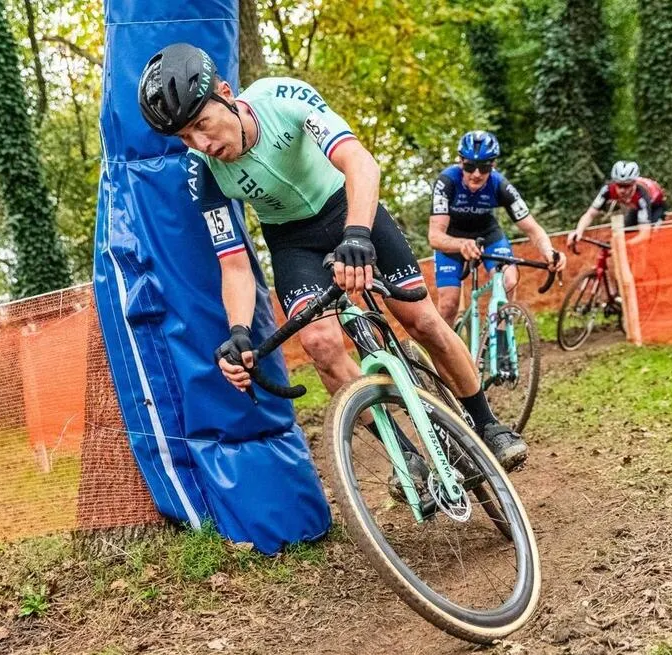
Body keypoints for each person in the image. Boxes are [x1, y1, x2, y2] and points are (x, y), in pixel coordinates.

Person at [137, 43, 529, 473]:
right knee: (320, 344)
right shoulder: (201, 171)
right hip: (292, 241)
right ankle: (406, 458)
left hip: (351, 208)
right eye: (186, 137)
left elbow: (361, 164)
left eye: (201, 124)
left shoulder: (282, 99)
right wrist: (238, 330)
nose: (201, 143)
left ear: (226, 94)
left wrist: (357, 233)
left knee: (423, 320)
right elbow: (233, 262)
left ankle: (488, 424)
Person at [427, 131, 564, 328]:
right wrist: (461, 244)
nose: (476, 173)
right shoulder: (447, 181)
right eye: (469, 166)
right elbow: (435, 236)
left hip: (488, 234)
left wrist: (549, 252)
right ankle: (443, 356)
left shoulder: (499, 184)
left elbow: (533, 229)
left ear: (493, 165)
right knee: (449, 304)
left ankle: (500, 347)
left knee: (509, 280)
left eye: (484, 167)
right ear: (460, 162)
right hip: (452, 238)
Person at [567, 161, 667, 249]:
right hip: (635, 207)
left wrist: (624, 245)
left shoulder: (641, 197)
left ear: (634, 183)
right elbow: (590, 214)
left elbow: (644, 234)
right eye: (619, 185)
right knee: (622, 235)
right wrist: (578, 231)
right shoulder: (607, 190)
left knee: (649, 241)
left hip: (655, 206)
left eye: (626, 186)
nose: (622, 190)